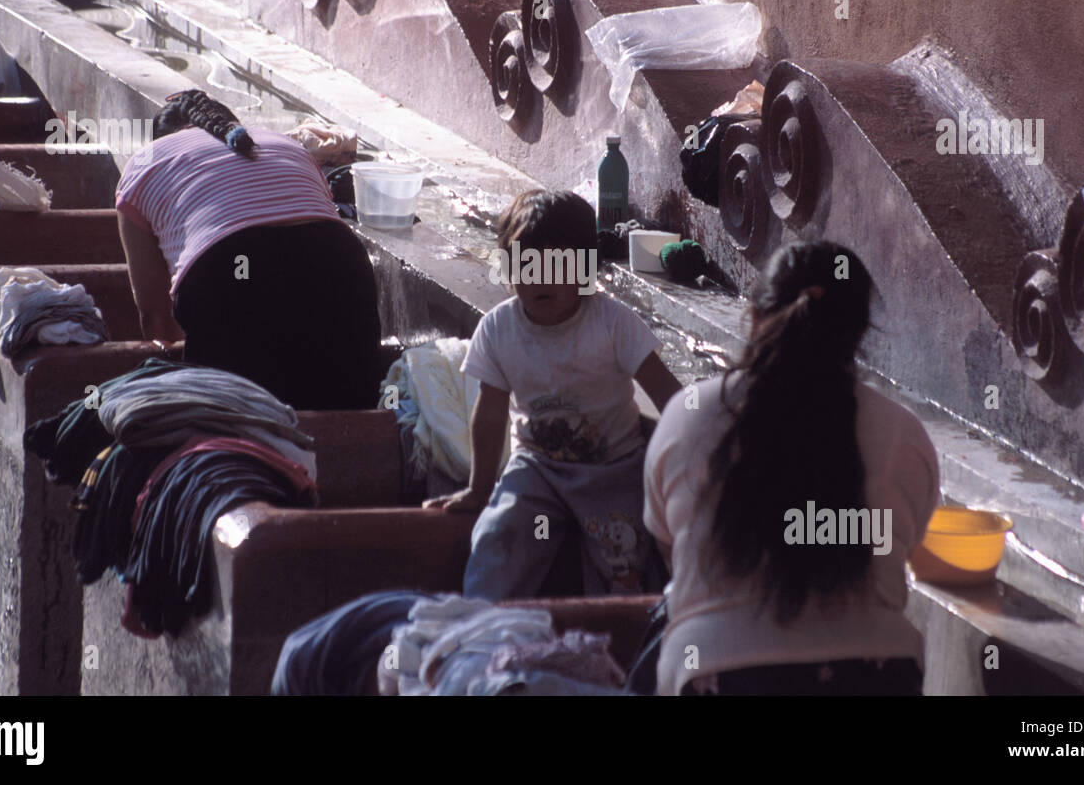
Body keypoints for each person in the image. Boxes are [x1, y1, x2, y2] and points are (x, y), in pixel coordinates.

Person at [643, 241, 940, 696]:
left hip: (716, 672)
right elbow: (902, 549)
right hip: (878, 674)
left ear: (756, 318)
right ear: (859, 332)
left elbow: (670, 551)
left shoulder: (688, 415)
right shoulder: (904, 434)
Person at [425, 189, 682, 599]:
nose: (539, 278)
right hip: (537, 467)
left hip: (614, 466)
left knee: (627, 558)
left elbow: (671, 397)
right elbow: (489, 414)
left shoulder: (613, 323)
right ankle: (480, 622)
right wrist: (479, 488)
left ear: (585, 270)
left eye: (557, 265)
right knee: (498, 534)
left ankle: (621, 637)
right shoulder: (498, 328)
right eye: (525, 265)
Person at [115, 89, 381, 410]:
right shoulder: (288, 145)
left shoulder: (144, 163)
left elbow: (155, 316)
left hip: (229, 269)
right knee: (348, 406)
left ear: (160, 138)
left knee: (237, 427)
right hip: (341, 262)